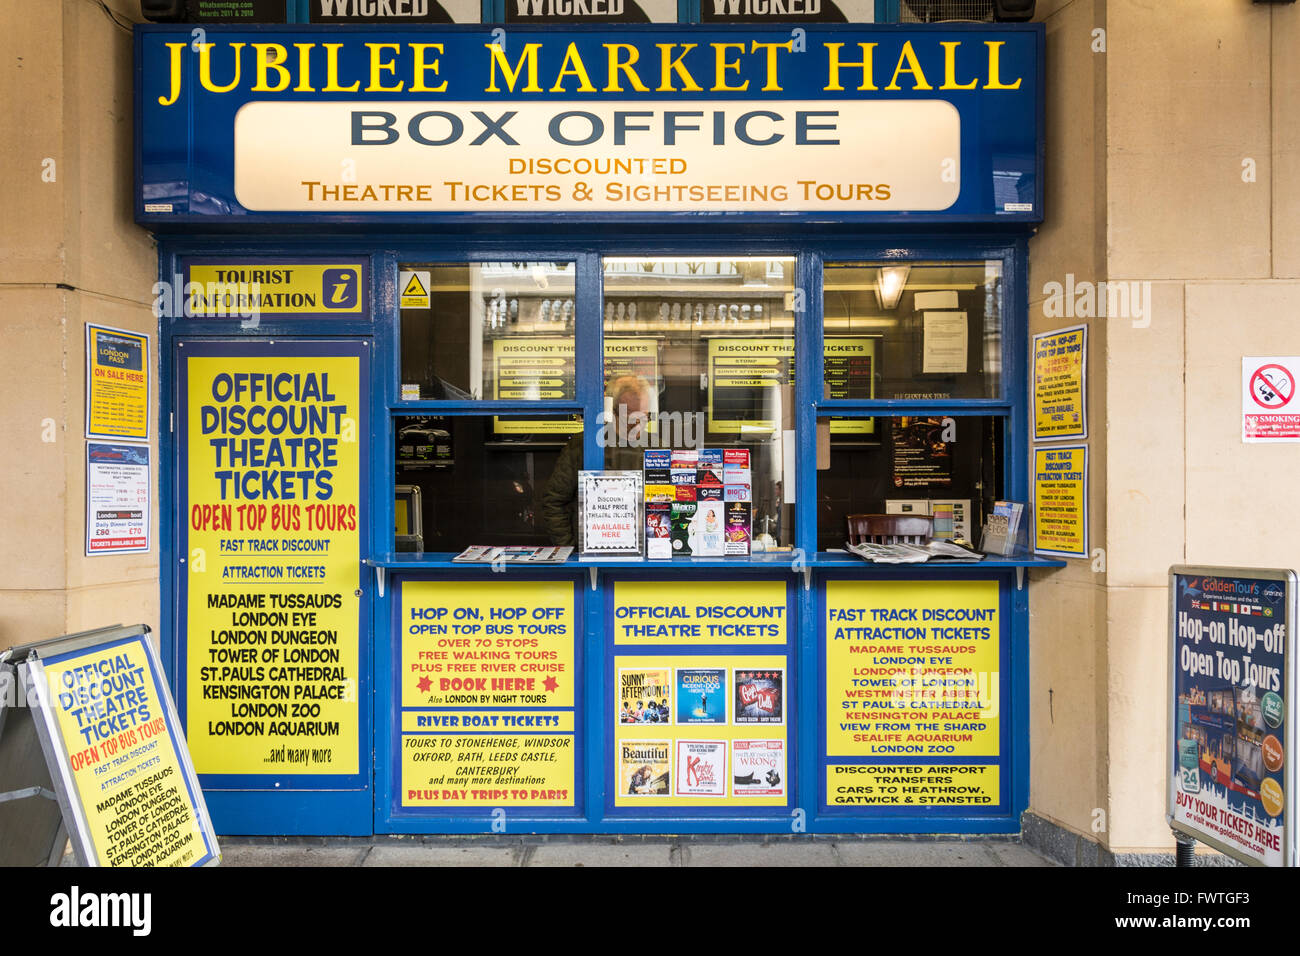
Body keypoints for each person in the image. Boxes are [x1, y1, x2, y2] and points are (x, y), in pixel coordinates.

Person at [541, 375, 652, 547]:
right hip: (591, 555)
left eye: (645, 416)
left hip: (646, 556)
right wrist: (572, 550)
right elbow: (554, 502)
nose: (640, 424)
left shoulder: (656, 448)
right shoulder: (583, 445)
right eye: (632, 418)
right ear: (614, 412)